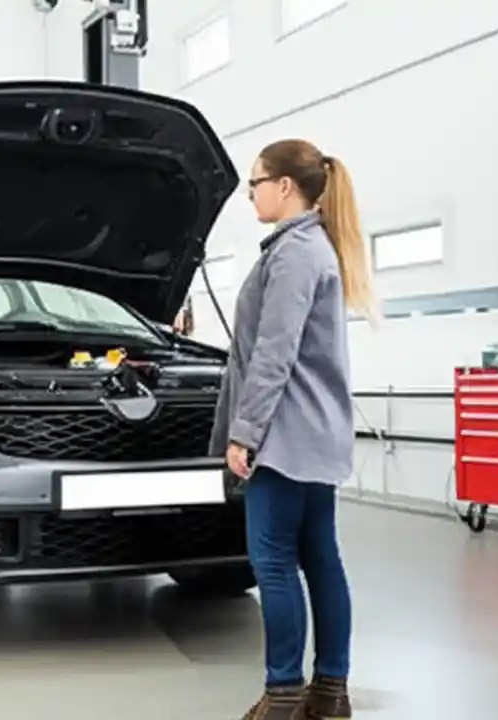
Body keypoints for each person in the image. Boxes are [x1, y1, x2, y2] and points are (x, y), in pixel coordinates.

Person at [209, 139, 374, 720]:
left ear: (284, 186)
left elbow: (273, 355)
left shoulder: (295, 254)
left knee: (274, 562)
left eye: (255, 182)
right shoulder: (311, 248)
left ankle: (283, 696)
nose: (250, 192)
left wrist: (244, 434)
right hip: (314, 435)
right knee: (321, 559)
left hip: (284, 437)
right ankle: (330, 693)